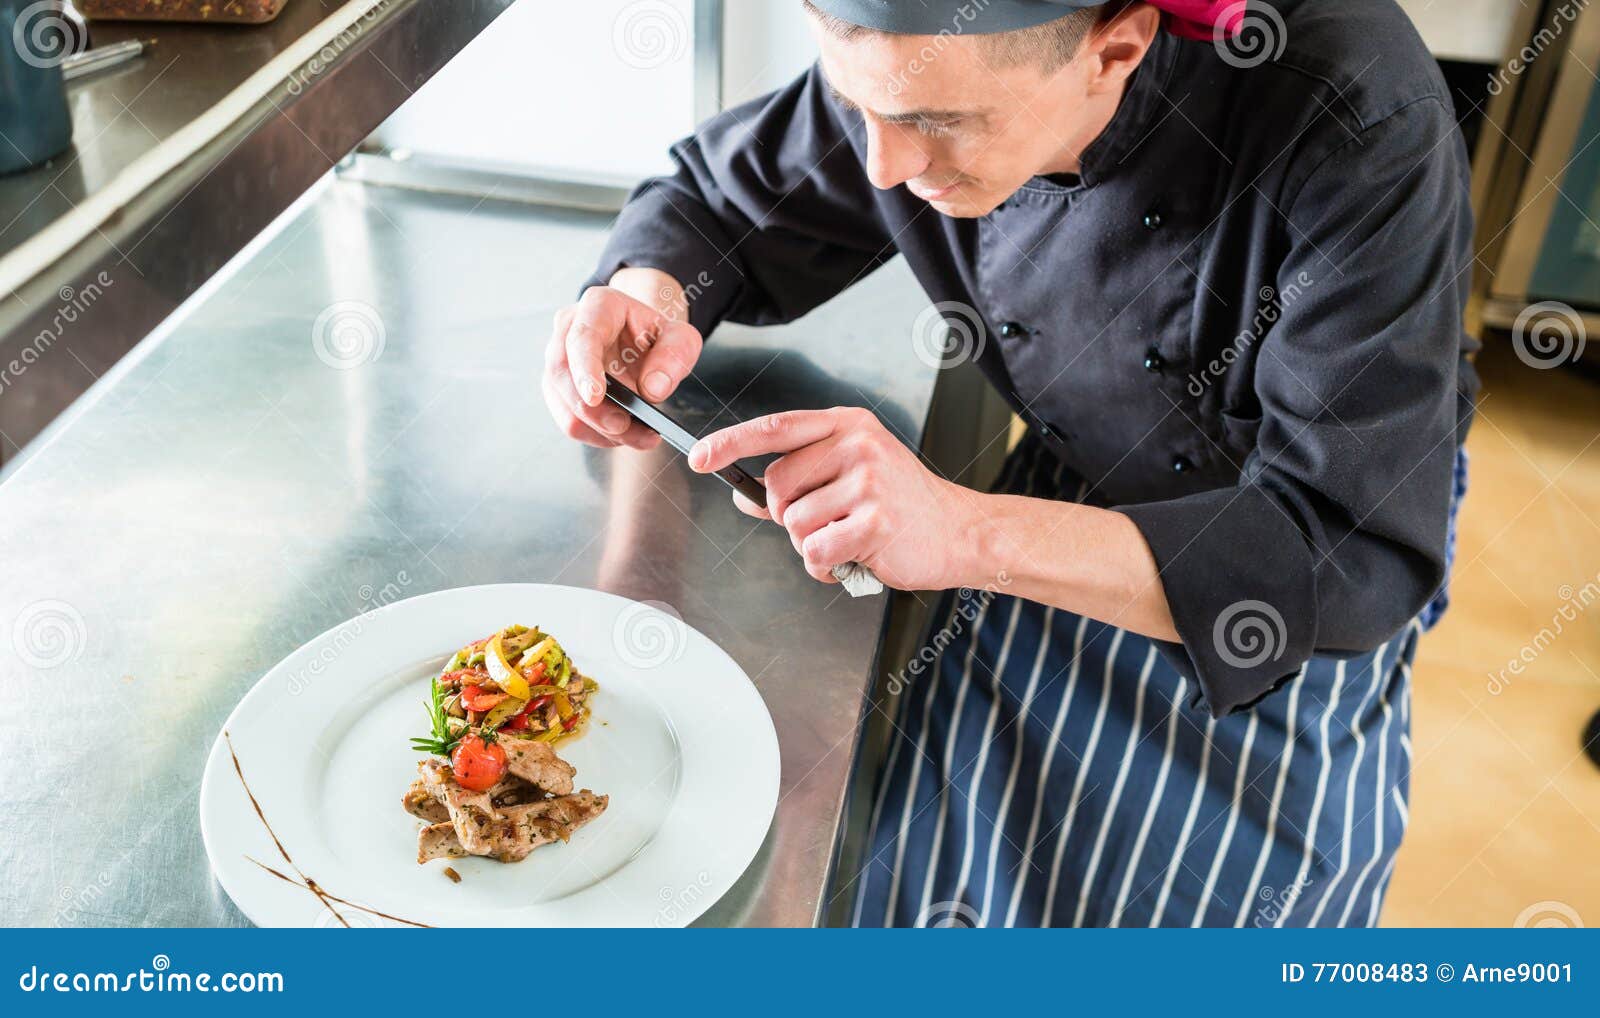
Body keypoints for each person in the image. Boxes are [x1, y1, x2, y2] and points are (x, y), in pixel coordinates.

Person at [540, 0, 1478, 927]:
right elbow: (713, 203)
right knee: (913, 892)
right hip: (1062, 499)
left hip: (1277, 579)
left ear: (1115, 49)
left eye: (934, 124)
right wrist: (645, 289)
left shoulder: (1355, 121)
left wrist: (964, 531)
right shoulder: (906, 73)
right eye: (855, 106)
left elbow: (1349, 557)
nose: (881, 166)